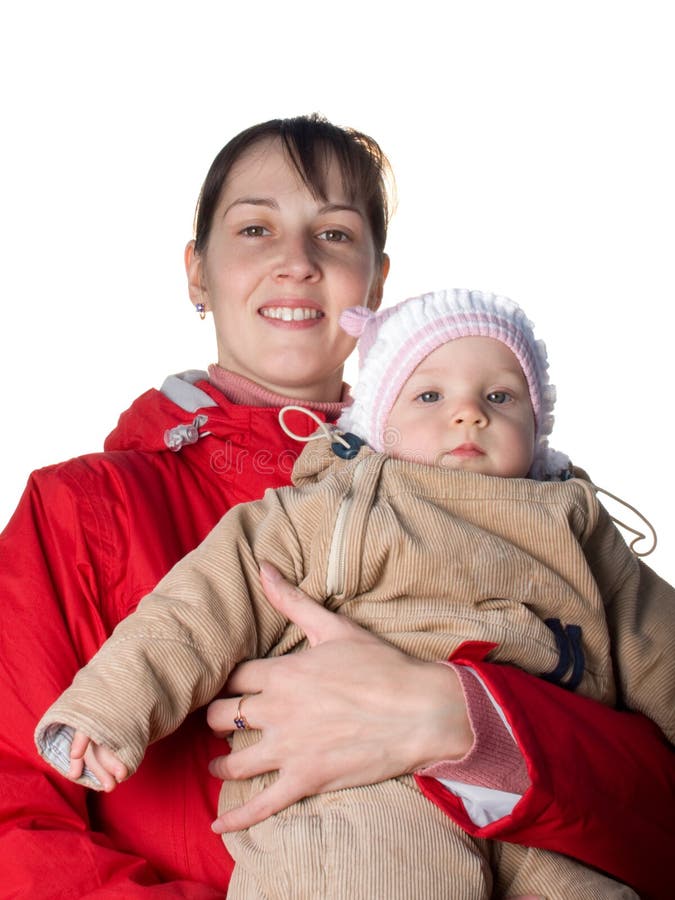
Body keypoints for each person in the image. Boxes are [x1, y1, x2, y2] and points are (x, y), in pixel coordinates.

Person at [0, 115, 671, 899]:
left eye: (335, 235)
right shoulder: (82, 510)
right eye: (255, 228)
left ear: (376, 287)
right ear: (196, 272)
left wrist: (468, 721)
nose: (296, 262)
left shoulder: (528, 510)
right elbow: (17, 825)